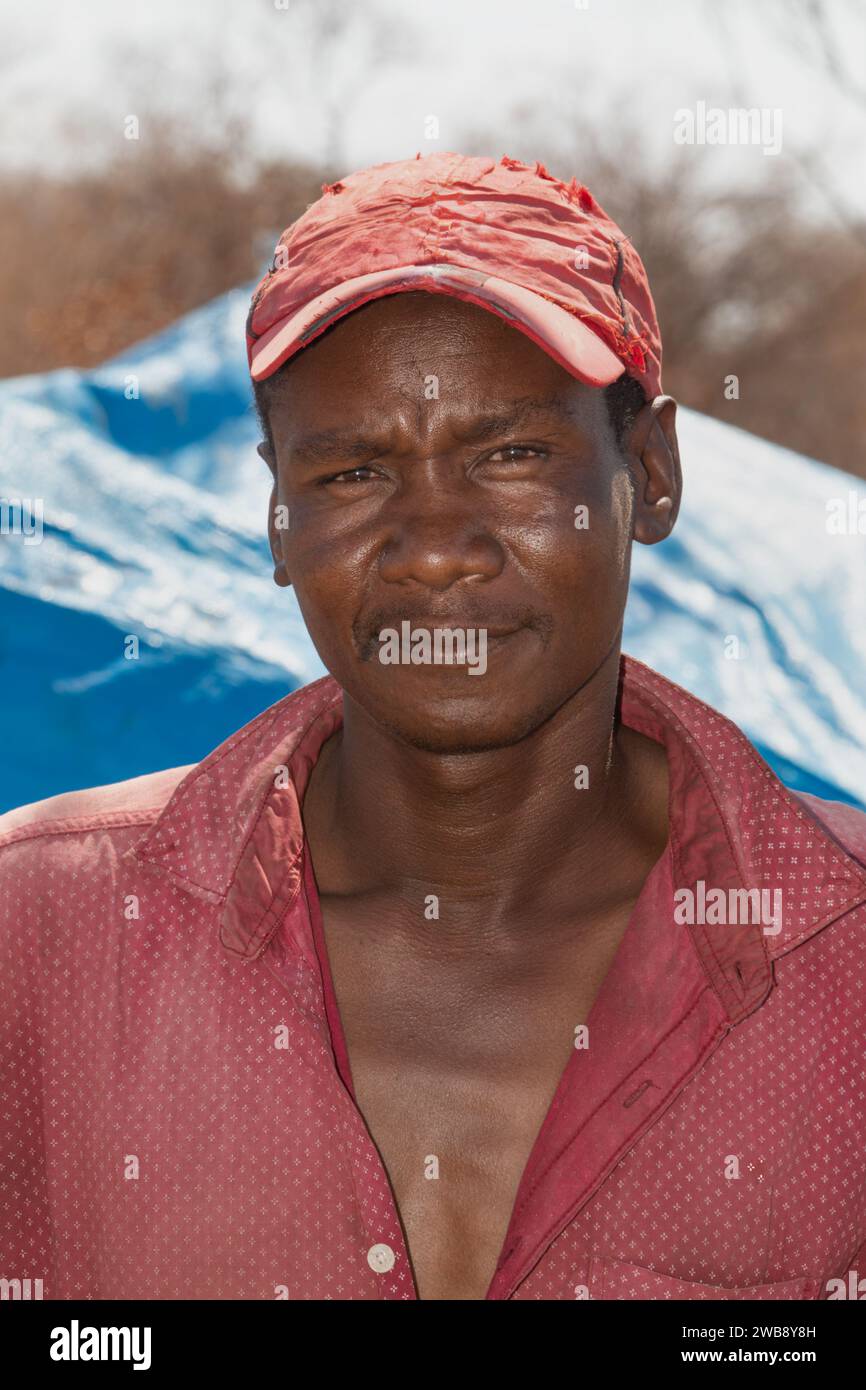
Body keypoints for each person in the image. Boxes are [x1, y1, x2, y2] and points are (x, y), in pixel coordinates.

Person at [1, 152, 865, 1303]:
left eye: (509, 454)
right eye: (354, 472)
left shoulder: (841, 958)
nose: (434, 546)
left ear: (648, 472)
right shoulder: (41, 942)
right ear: (275, 516)